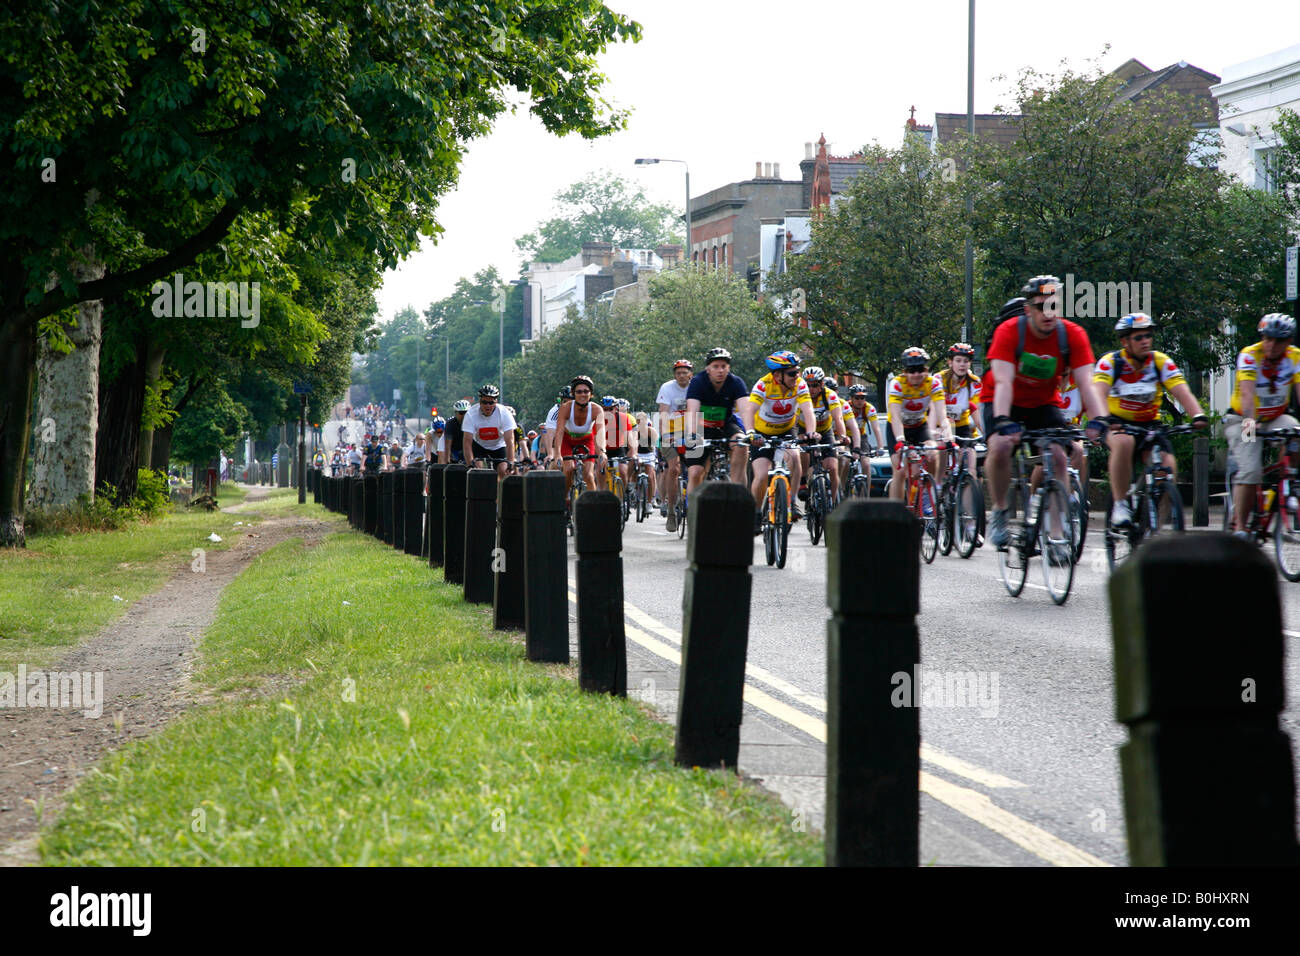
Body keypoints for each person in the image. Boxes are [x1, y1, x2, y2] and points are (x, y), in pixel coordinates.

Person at [984, 275, 1108, 560]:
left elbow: (1087, 385)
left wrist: (1100, 420)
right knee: (1001, 446)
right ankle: (1001, 509)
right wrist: (1002, 420)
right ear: (1028, 309)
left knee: (1060, 455)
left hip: (1042, 403)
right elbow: (1002, 383)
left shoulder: (1072, 335)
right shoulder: (1009, 332)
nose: (1048, 312)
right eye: (1041, 306)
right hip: (1002, 400)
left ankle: (1057, 535)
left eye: (1054, 305)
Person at [1094, 312, 1209, 527]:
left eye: (1148, 335)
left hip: (1149, 425)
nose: (1145, 341)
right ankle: (1120, 504)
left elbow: (1181, 390)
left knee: (1168, 467)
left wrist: (1198, 414)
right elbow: (1098, 393)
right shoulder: (1111, 363)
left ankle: (1155, 527)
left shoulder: (1159, 361)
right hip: (1117, 422)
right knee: (1124, 442)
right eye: (1138, 337)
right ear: (1125, 341)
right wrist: (1105, 419)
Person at [1224, 313, 1300, 535]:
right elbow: (1247, 394)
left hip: (1275, 417)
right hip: (1244, 419)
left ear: (1289, 341)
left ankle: (1289, 481)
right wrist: (1249, 422)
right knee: (1250, 470)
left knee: (1296, 433)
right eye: (1267, 338)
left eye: (1279, 340)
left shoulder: (1295, 357)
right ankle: (1240, 528)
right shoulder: (1249, 355)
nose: (1272, 345)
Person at [741, 349, 817, 533]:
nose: (796, 376)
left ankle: (791, 502)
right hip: (761, 433)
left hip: (786, 430)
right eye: (792, 373)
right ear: (777, 375)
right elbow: (749, 410)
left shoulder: (800, 384)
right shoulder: (763, 385)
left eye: (797, 371)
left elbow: (808, 410)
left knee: (795, 459)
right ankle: (757, 513)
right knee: (761, 474)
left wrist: (812, 432)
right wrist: (751, 433)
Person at [682, 348, 750, 522]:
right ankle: (693, 510)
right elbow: (692, 410)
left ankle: (737, 498)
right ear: (708, 369)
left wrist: (750, 432)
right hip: (699, 427)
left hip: (724, 425)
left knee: (742, 443)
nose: (720, 370)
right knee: (696, 472)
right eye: (716, 366)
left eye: (724, 366)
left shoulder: (736, 382)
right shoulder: (697, 382)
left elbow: (745, 409)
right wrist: (692, 435)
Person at [886, 347, 950, 504]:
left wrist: (947, 433)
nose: (916, 375)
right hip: (898, 428)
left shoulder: (933, 383)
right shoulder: (897, 384)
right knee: (900, 471)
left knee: (932, 454)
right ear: (905, 372)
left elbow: (942, 413)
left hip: (920, 427)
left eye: (920, 370)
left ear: (926, 370)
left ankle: (928, 494)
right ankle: (896, 511)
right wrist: (900, 440)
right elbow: (895, 416)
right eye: (911, 371)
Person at [553, 374, 605, 503]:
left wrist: (602, 451)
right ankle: (565, 499)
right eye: (579, 392)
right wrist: (557, 453)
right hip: (567, 440)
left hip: (586, 440)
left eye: (586, 391)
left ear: (591, 394)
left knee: (588, 475)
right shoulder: (566, 408)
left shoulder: (596, 409)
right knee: (569, 469)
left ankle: (593, 505)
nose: (583, 395)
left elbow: (600, 432)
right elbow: (559, 432)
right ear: (573, 394)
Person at [656, 359, 693, 521]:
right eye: (678, 373)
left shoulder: (696, 386)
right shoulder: (667, 388)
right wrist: (666, 434)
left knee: (697, 469)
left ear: (690, 374)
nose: (682, 376)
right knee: (674, 469)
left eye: (685, 372)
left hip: (692, 431)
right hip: (670, 432)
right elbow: (663, 412)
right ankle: (671, 508)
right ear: (674, 375)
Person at [462, 384, 516, 478]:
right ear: (479, 401)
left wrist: (510, 462)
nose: (487, 406)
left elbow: (510, 440)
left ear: (496, 402)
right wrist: (470, 463)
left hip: (498, 445)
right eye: (484, 402)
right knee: (477, 471)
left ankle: (499, 491)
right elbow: (467, 442)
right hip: (479, 445)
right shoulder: (471, 414)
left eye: (491, 403)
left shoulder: (504, 413)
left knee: (503, 471)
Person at [439, 399, 470, 464]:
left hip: (468, 448)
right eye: (461, 413)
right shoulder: (450, 424)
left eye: (466, 412)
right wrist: (447, 462)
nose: (464, 415)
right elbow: (447, 446)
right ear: (456, 413)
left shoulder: (472, 422)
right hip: (454, 450)